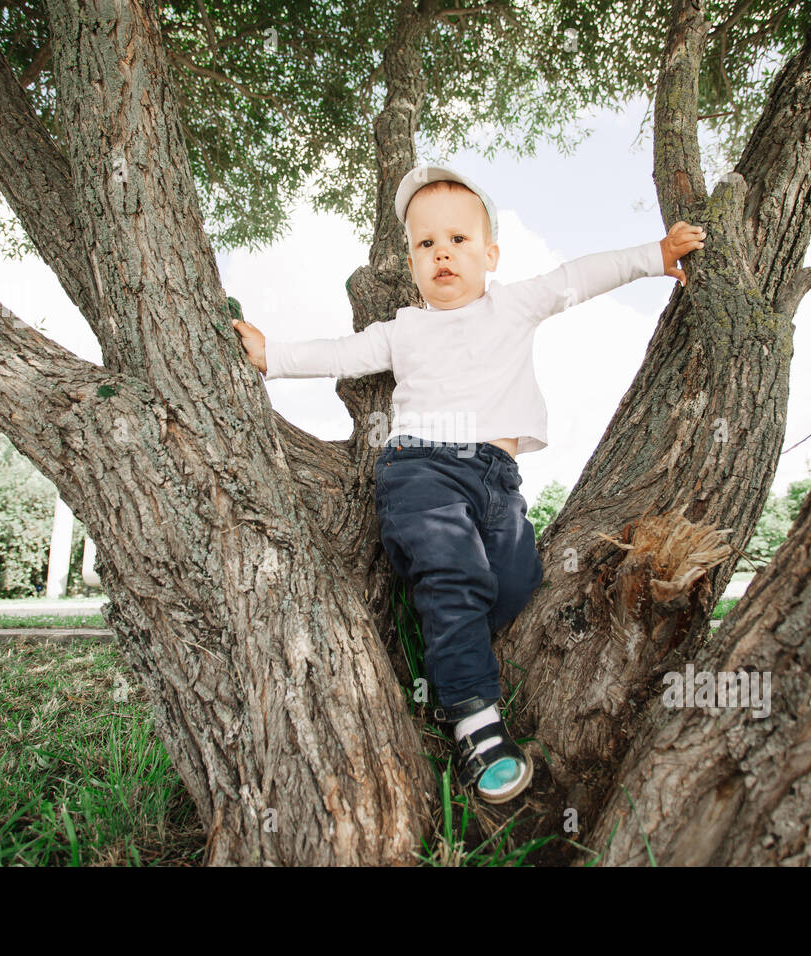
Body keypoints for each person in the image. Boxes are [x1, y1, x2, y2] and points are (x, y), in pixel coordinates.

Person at [232, 164, 706, 803]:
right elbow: (341, 354)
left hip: (497, 482)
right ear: (412, 262)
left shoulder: (513, 304)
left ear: (490, 254)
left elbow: (578, 278)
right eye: (426, 245)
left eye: (457, 240)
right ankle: (475, 724)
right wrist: (273, 357)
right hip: (421, 470)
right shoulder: (406, 328)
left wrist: (654, 255)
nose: (442, 254)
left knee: (514, 585)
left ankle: (443, 637)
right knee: (456, 578)